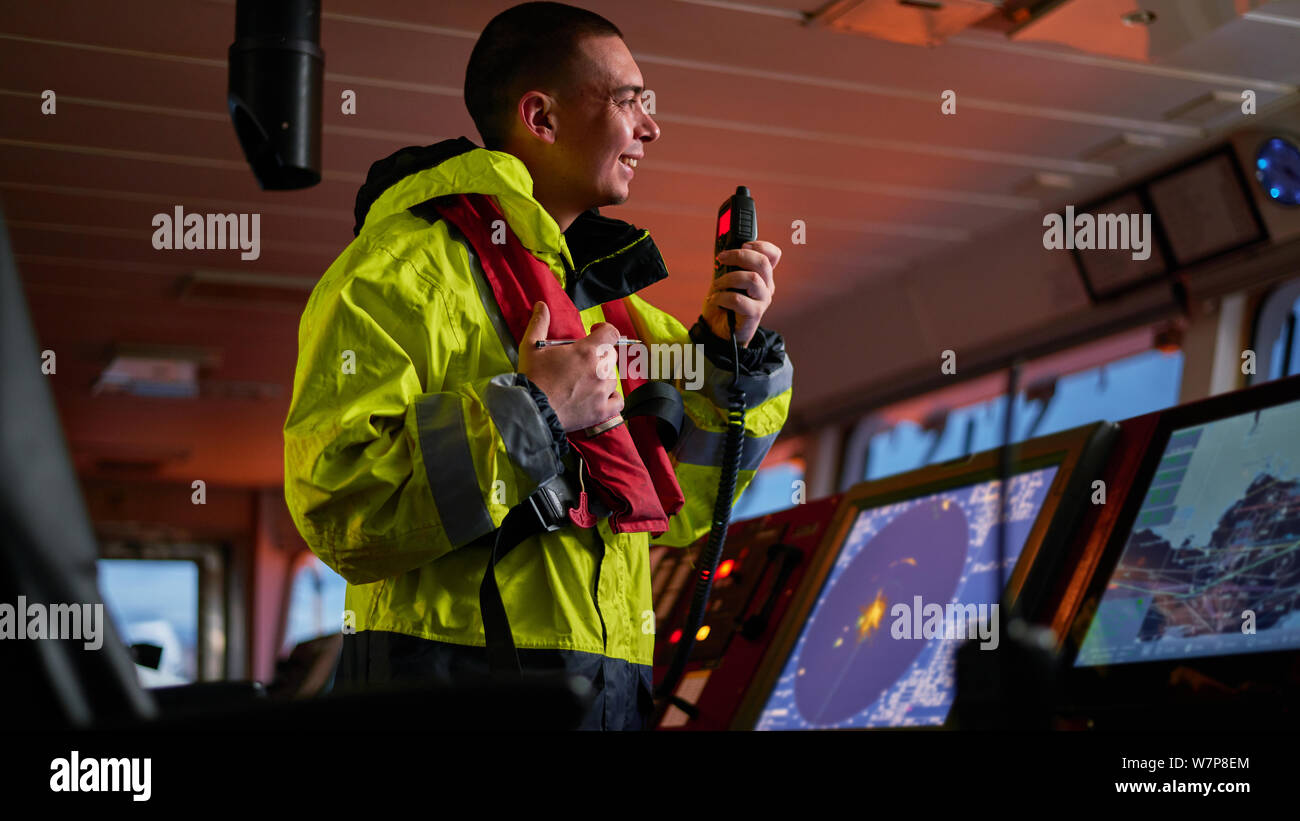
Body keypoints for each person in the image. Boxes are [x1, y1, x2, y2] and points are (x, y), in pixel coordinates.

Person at [282, 1, 792, 730]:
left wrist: (728, 355)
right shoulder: (395, 273)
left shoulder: (619, 315)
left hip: (607, 693)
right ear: (541, 118)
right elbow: (340, 505)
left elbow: (687, 513)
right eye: (629, 102)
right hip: (446, 686)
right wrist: (533, 411)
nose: (651, 127)